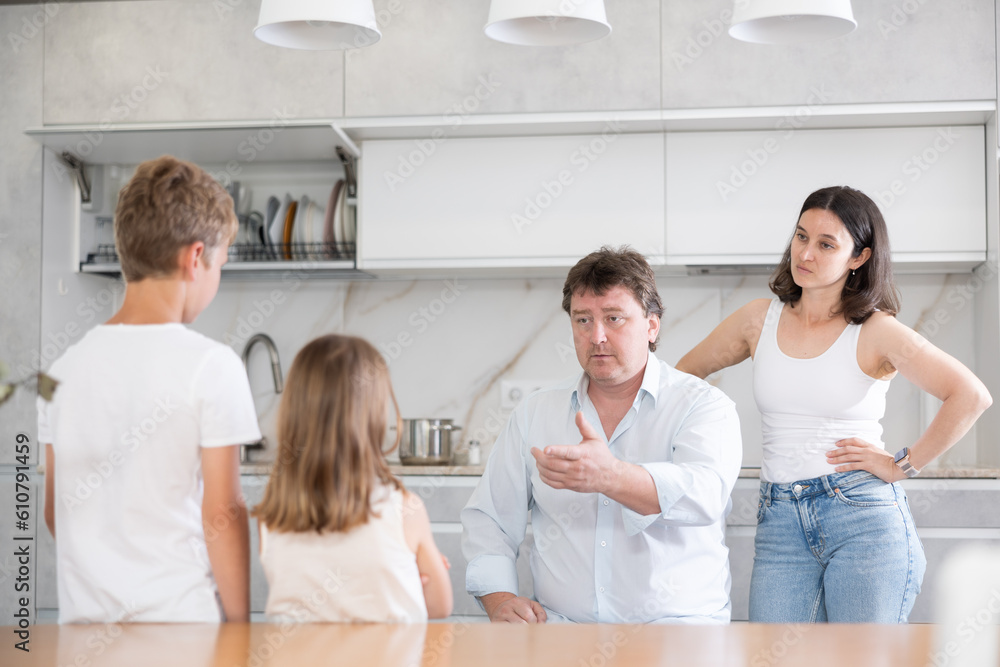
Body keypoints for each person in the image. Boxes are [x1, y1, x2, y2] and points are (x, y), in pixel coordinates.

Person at [676, 185, 993, 623]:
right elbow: (684, 378)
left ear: (859, 257)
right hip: (780, 520)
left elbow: (970, 395)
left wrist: (901, 465)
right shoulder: (757, 320)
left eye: (827, 244)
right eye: (801, 236)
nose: (806, 253)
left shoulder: (877, 331)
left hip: (863, 519)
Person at [461, 247, 743, 624]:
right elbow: (490, 520)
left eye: (614, 318)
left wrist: (609, 476)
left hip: (678, 635)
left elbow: (705, 495)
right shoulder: (536, 413)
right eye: (582, 320)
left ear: (652, 325)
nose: (597, 336)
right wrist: (499, 600)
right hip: (563, 633)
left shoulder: (704, 406)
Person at [40, 155, 261, 623]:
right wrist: (241, 629)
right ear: (196, 257)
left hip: (83, 636)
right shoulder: (212, 366)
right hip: (183, 631)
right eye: (219, 264)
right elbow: (222, 511)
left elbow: (56, 511)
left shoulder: (60, 372)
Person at [253, 334, 453, 622]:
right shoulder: (405, 509)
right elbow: (440, 606)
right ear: (374, 415)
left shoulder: (272, 516)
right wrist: (412, 579)